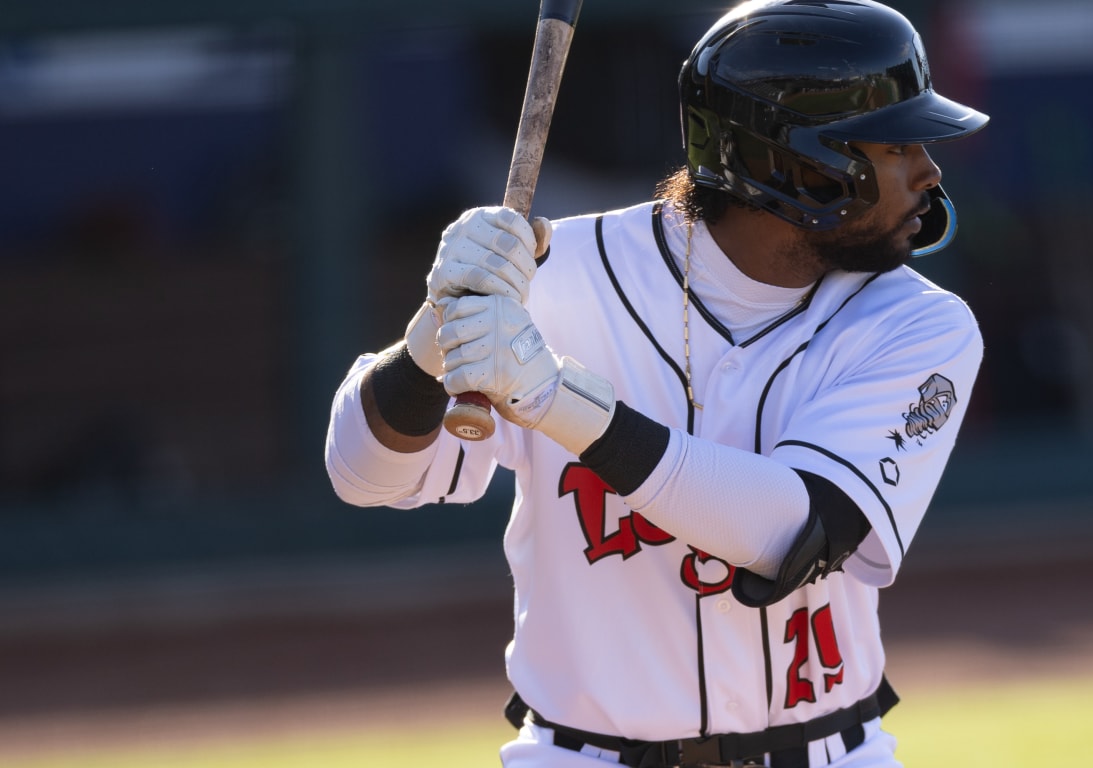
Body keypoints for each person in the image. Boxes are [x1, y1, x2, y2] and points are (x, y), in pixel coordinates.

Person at [324, 1, 989, 765]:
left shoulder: (917, 326)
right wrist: (430, 339)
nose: (930, 171)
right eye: (900, 145)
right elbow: (364, 476)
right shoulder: (559, 276)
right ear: (795, 164)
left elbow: (790, 533)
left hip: (831, 751)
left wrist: (555, 399)